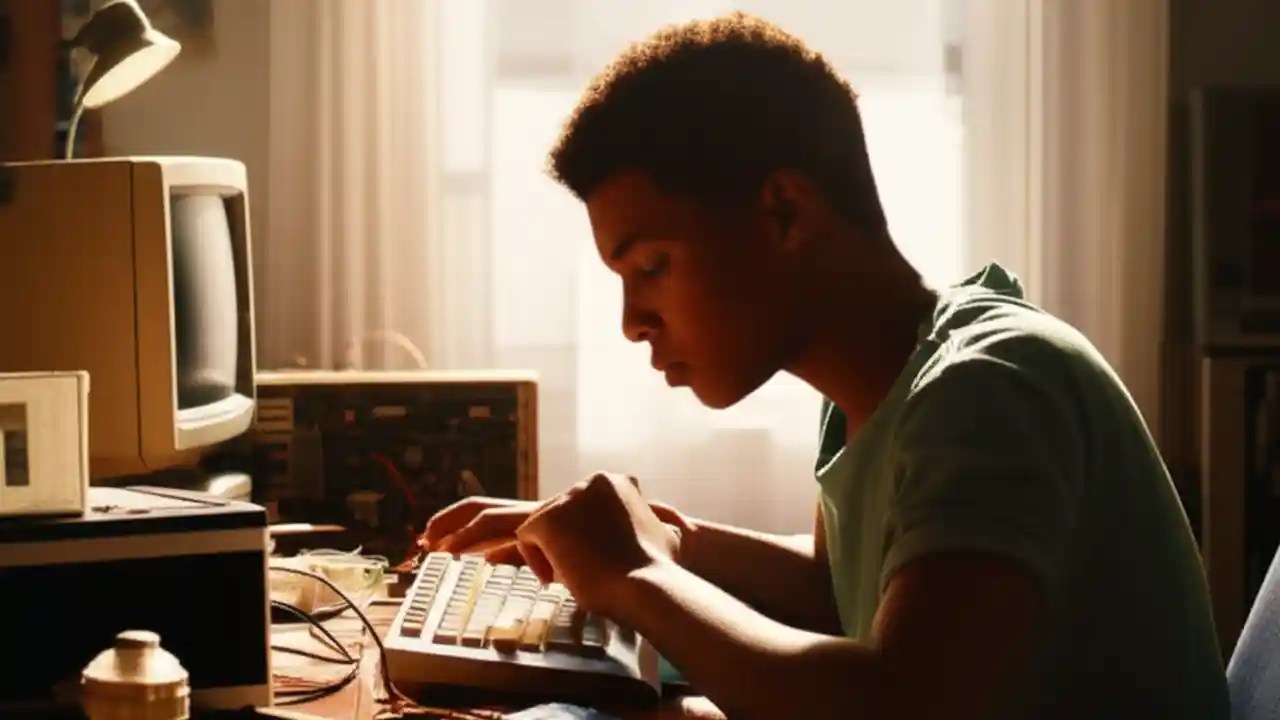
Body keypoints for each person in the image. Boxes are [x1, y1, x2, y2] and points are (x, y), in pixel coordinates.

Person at [420, 13, 1229, 720]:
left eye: (652, 266)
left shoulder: (989, 385)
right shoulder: (884, 388)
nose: (632, 323)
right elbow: (837, 587)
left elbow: (902, 706)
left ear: (784, 210)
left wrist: (635, 573)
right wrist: (667, 538)